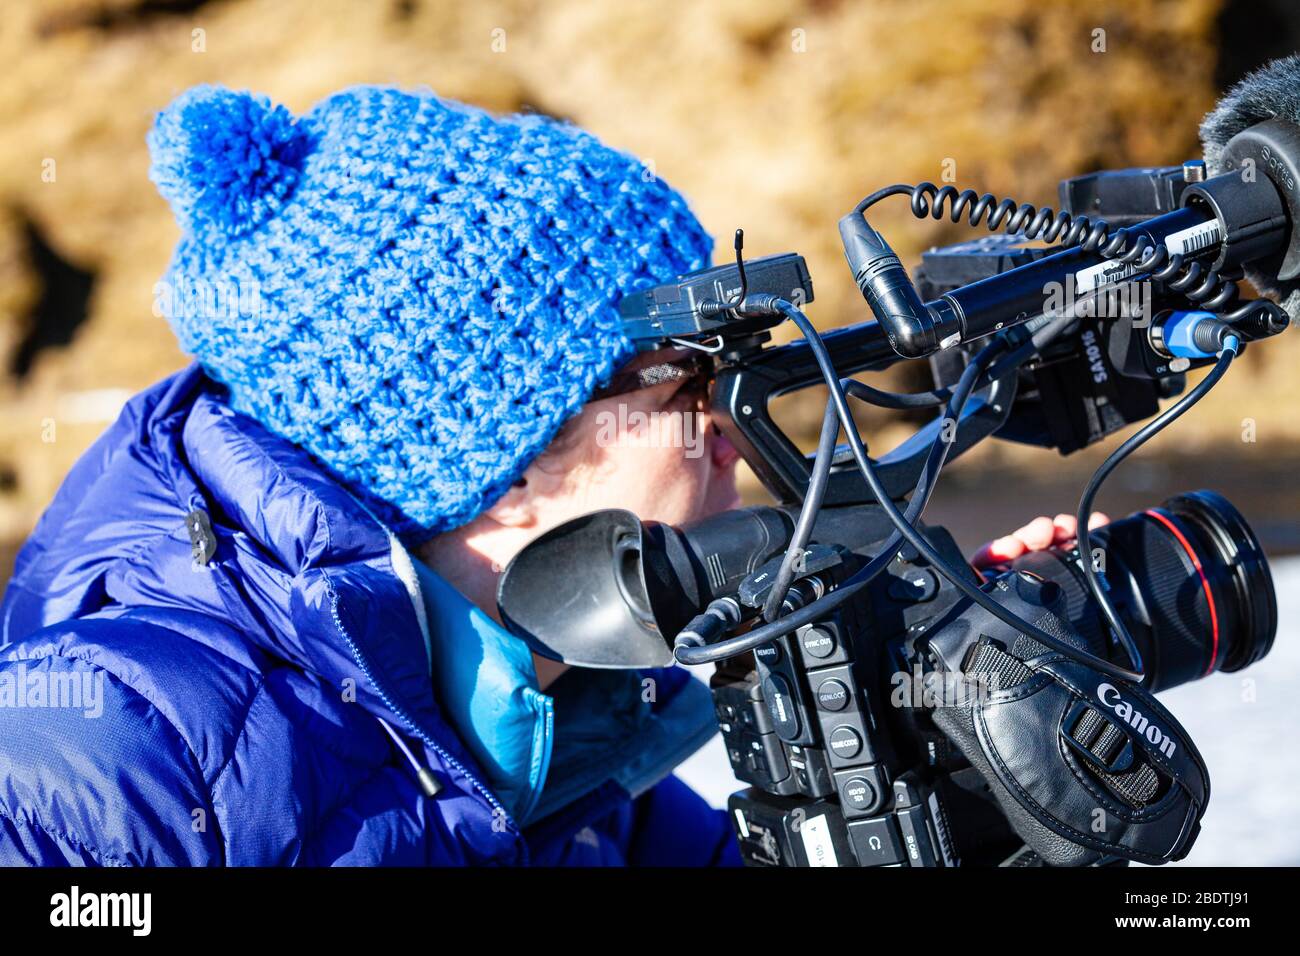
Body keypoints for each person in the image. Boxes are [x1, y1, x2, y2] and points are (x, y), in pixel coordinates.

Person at [0, 85, 1100, 866]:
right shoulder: (103, 767)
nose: (735, 423)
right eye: (687, 379)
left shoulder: (577, 763)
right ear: (500, 448)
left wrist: (963, 800)